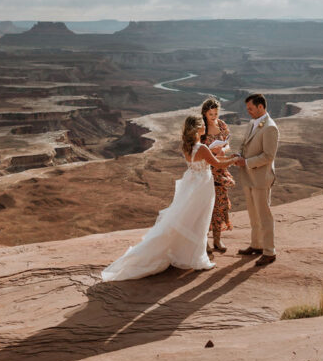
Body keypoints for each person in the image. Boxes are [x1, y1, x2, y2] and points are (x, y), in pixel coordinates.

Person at [101, 115, 239, 282]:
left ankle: (190, 255)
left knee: (189, 219)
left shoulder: (188, 147)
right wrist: (234, 160)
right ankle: (198, 260)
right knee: (200, 220)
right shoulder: (202, 147)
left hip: (192, 185)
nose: (204, 127)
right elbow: (217, 164)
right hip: (202, 186)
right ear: (195, 129)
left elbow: (212, 160)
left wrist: (228, 159)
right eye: (202, 125)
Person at [234, 93, 279, 267]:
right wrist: (239, 155)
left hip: (261, 178)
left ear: (261, 107)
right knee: (253, 214)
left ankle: (269, 251)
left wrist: (246, 162)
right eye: (247, 109)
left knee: (264, 215)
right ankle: (256, 245)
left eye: (251, 108)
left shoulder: (270, 127)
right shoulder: (253, 123)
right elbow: (245, 145)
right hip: (249, 176)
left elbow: (268, 156)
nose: (249, 112)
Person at [200, 98, 235, 253]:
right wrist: (210, 151)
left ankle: (218, 241)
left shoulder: (221, 125)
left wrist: (223, 150)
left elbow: (227, 143)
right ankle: (204, 242)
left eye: (215, 113)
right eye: (210, 114)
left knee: (220, 205)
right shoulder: (201, 128)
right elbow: (197, 147)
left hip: (220, 169)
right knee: (206, 206)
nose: (213, 116)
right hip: (207, 170)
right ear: (204, 113)